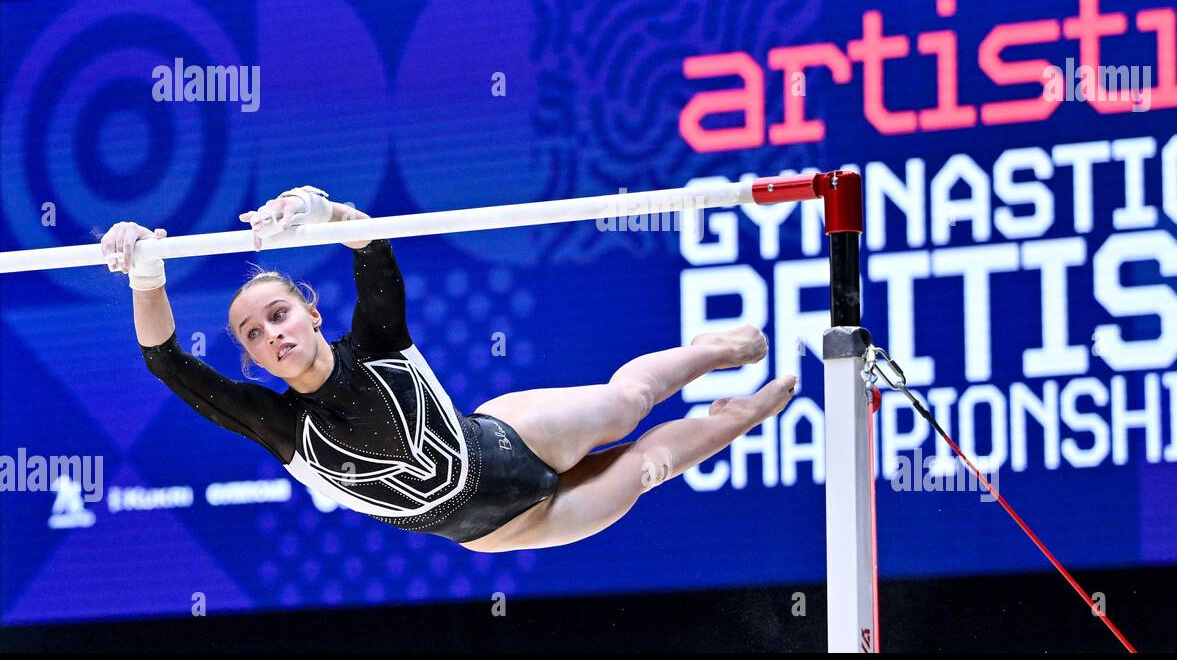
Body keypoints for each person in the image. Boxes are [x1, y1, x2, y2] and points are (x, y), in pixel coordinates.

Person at [101, 185, 797, 552]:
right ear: (252, 359)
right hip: (504, 526)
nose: (271, 333)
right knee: (649, 467)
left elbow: (370, 244)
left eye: (279, 313)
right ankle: (745, 412)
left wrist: (320, 210)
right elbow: (166, 361)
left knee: (628, 400)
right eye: (253, 334)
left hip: (508, 438)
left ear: (312, 312)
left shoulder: (376, 343)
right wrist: (145, 273)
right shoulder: (280, 426)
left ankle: (719, 349)